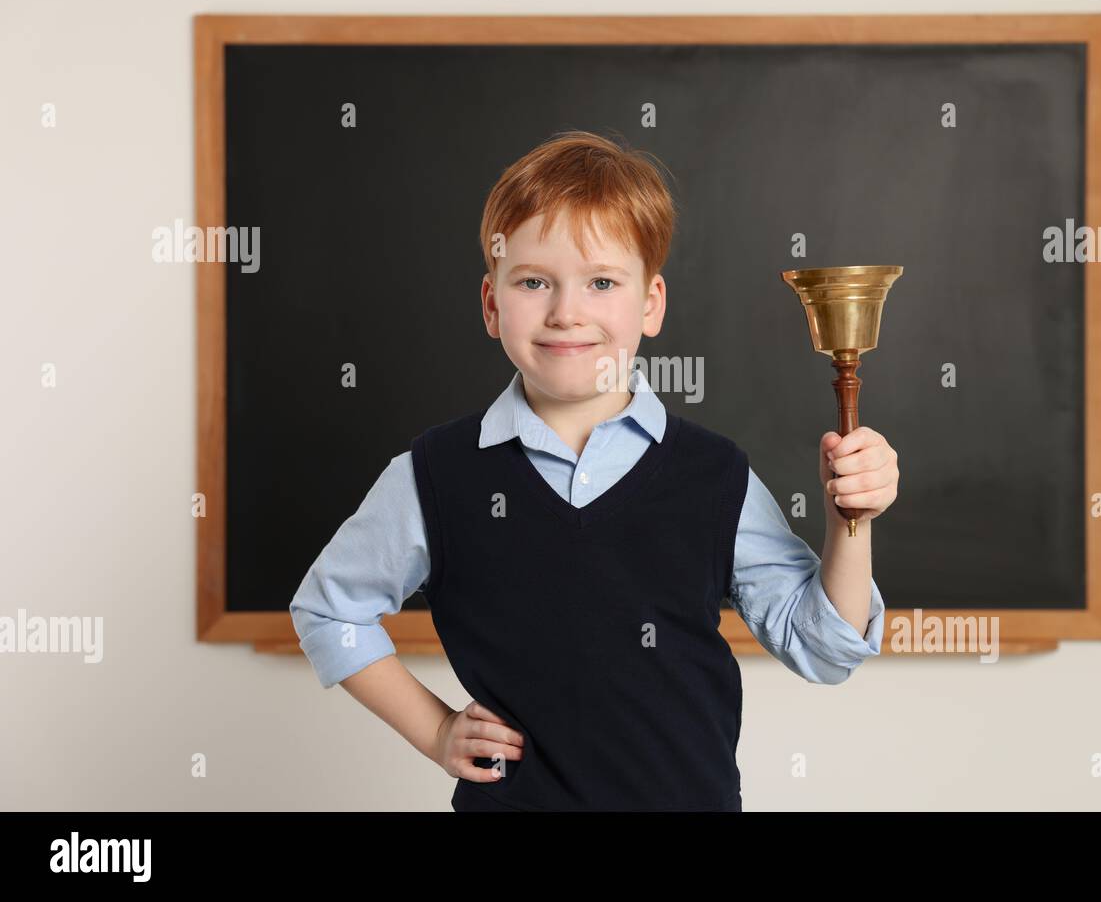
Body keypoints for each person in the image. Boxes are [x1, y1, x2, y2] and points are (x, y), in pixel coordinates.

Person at [290, 130, 899, 811]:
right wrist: (435, 729)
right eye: (533, 281)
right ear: (492, 304)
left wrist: (853, 522)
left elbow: (825, 648)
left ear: (651, 303)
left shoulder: (714, 476)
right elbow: (328, 607)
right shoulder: (437, 474)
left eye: (602, 281)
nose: (566, 312)